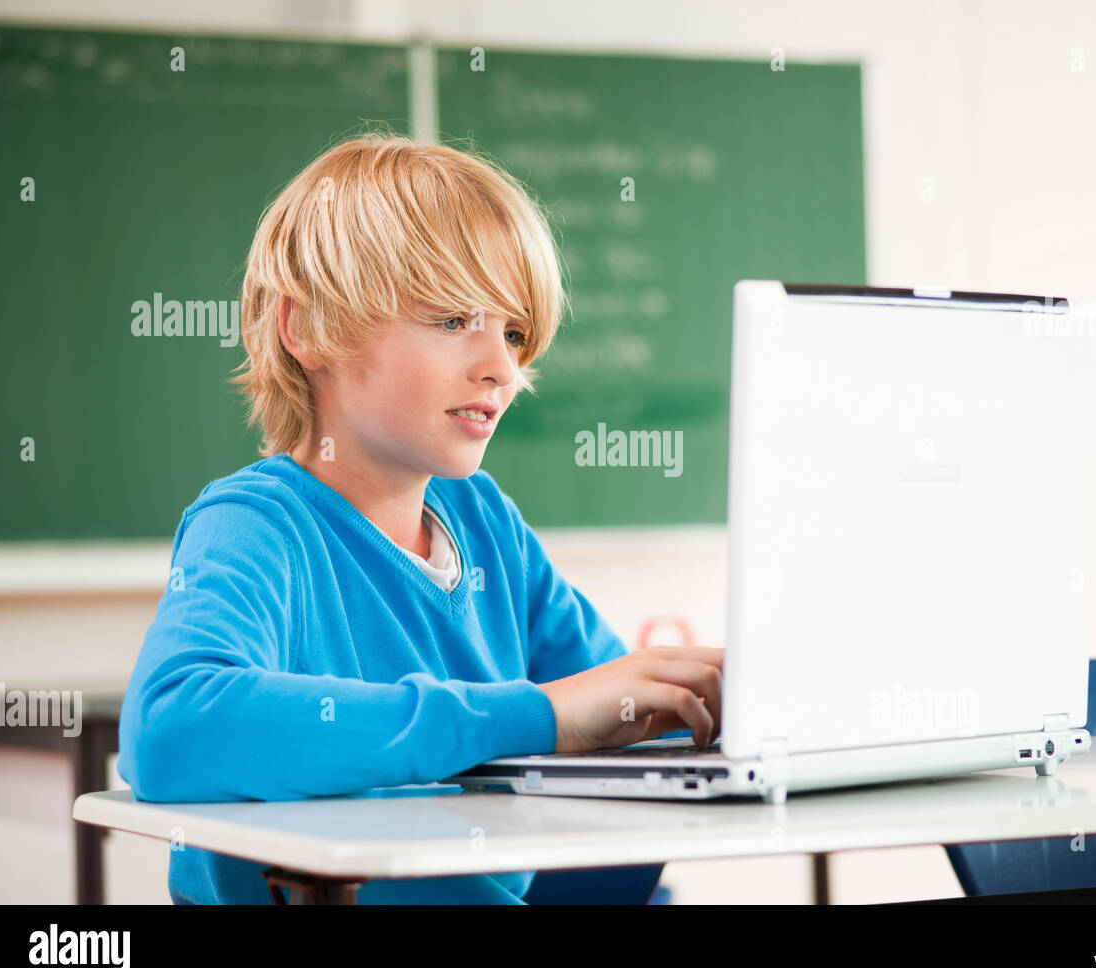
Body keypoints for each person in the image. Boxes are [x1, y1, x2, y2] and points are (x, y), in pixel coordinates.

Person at [116, 131, 722, 904]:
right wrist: (530, 717)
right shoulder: (257, 526)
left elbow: (622, 716)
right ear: (307, 329)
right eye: (451, 321)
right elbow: (171, 729)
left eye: (510, 332)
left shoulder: (483, 522)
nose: (502, 366)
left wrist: (723, 707)